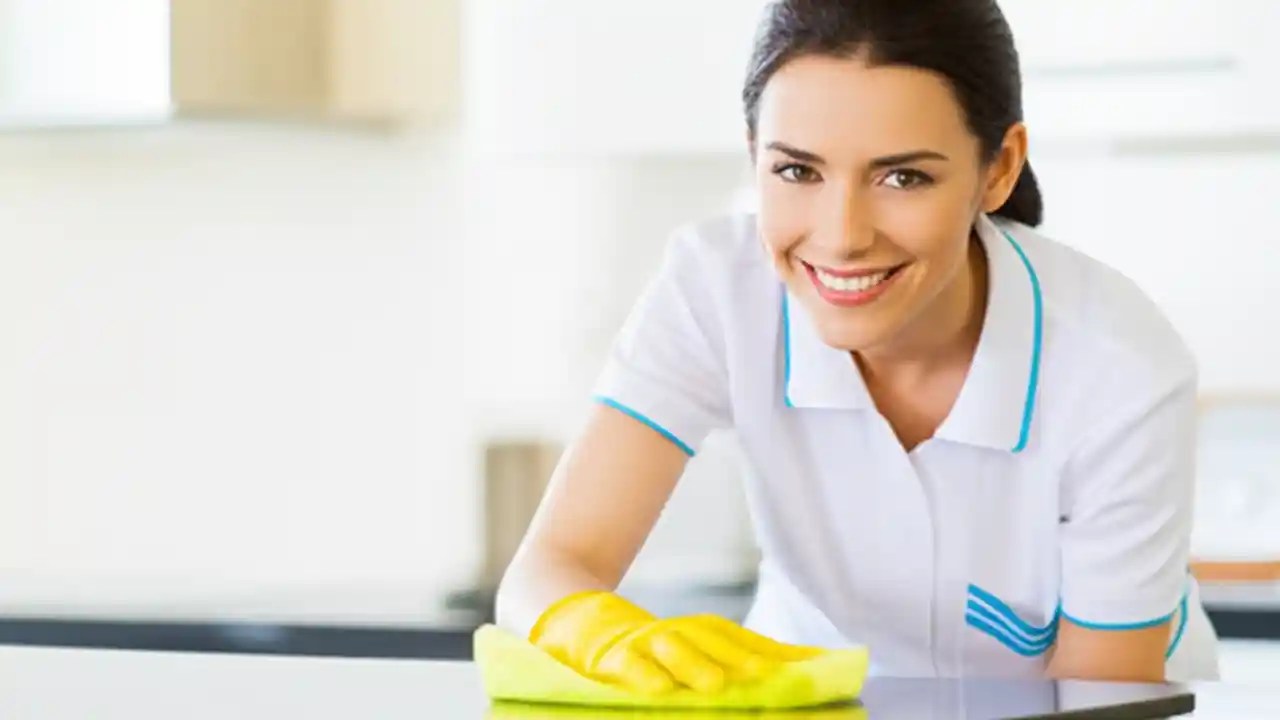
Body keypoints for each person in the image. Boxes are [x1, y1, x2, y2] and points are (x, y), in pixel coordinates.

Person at [495, 0, 1220, 690]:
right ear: (755, 155)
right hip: (816, 698)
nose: (842, 234)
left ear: (998, 168)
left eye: (903, 177)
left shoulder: (1119, 366)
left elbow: (1100, 701)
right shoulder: (716, 287)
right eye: (797, 171)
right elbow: (552, 567)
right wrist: (600, 631)